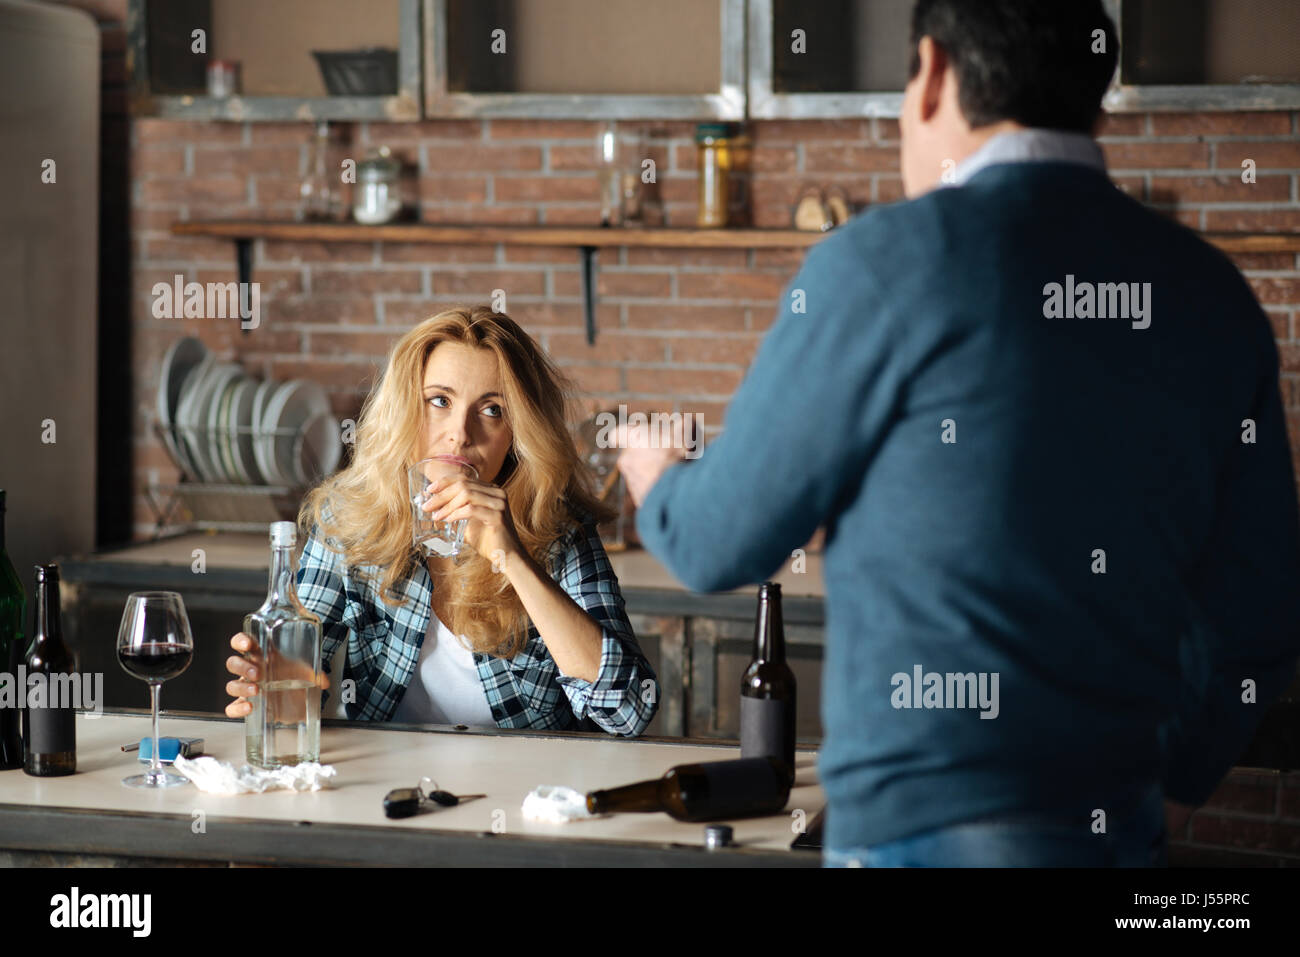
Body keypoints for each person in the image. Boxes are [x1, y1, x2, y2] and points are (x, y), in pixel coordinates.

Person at [617, 0, 1300, 865]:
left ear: (933, 72)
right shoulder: (1211, 292)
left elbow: (721, 543)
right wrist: (1166, 756)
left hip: (921, 828)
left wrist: (659, 476)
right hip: (1118, 828)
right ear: (1096, 99)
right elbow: (1264, 597)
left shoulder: (880, 262)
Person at [226, 306, 658, 737]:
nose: (460, 433)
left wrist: (512, 558)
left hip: (526, 791)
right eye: (440, 401)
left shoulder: (559, 528)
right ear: (405, 410)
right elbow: (297, 683)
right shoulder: (349, 516)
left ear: (517, 432)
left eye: (492, 410)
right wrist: (273, 688)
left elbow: (629, 713)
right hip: (388, 789)